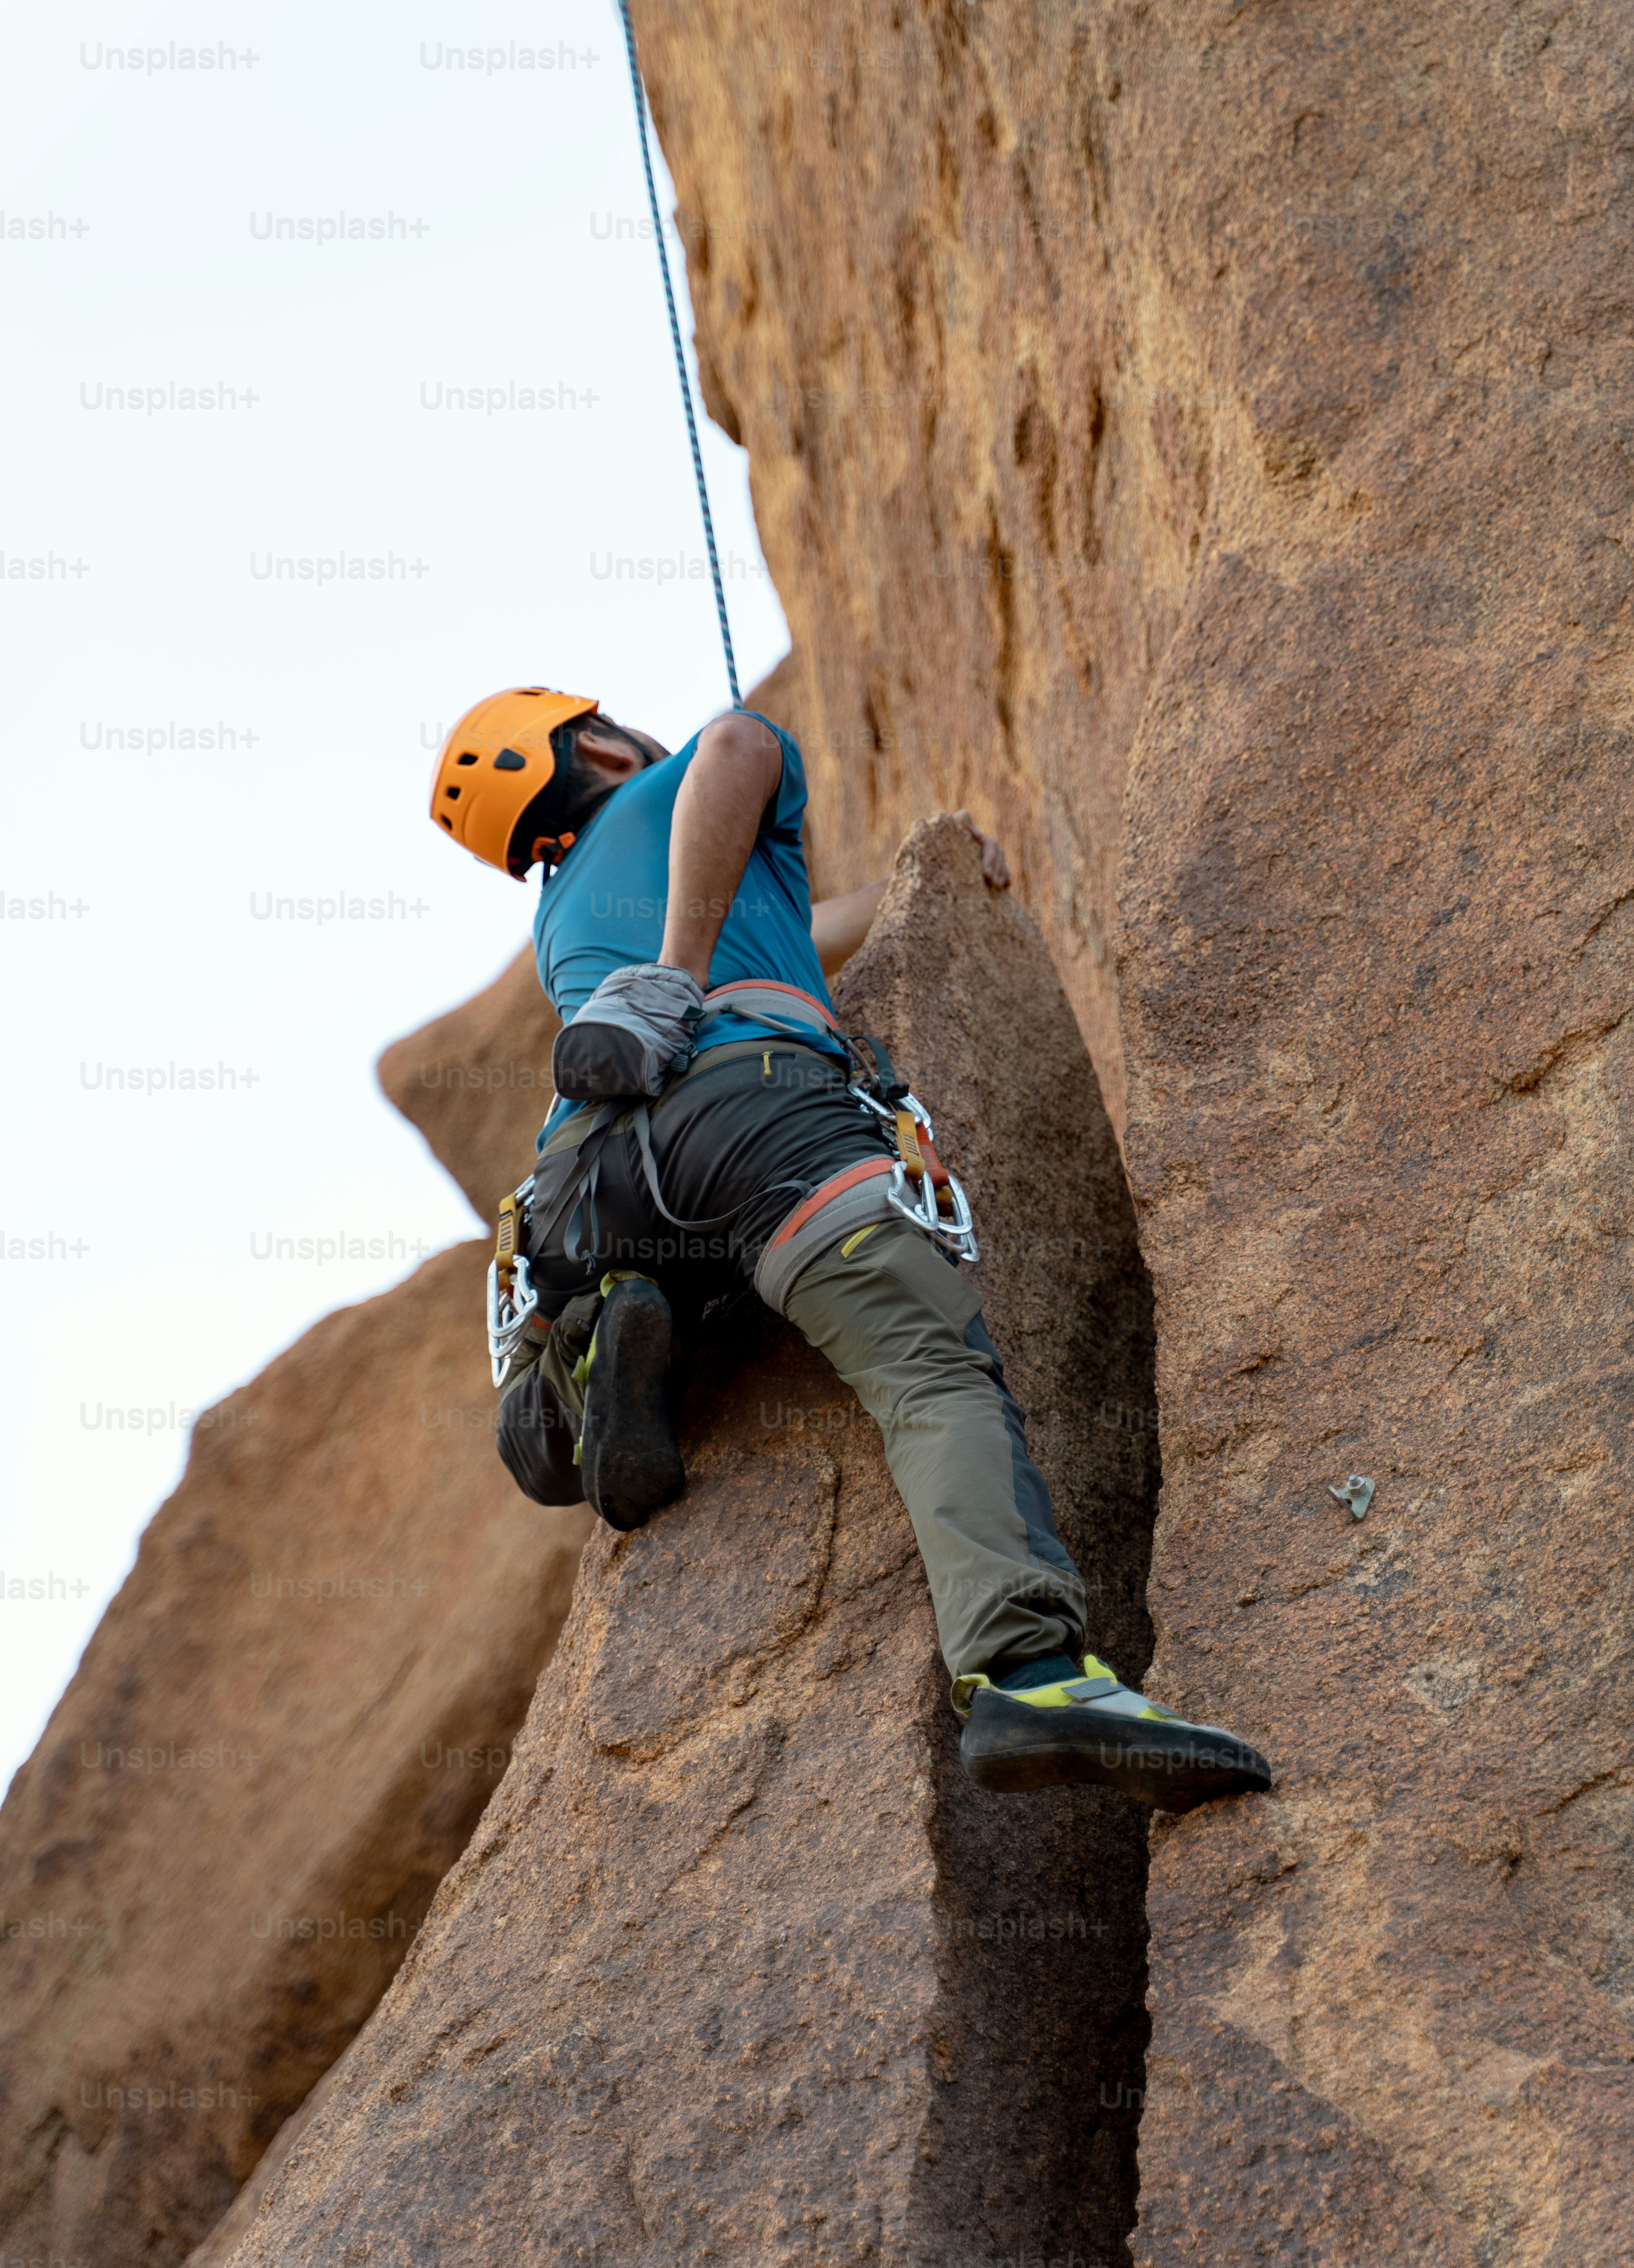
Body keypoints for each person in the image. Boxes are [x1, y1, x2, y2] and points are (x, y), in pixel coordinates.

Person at [429, 687, 1270, 1811]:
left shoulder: (566, 918)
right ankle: (1029, 1674)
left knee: (647, 1277)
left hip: (587, 1178)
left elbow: (800, 931)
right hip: (755, 1114)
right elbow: (731, 743)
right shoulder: (691, 777)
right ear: (591, 739)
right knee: (927, 1369)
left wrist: (924, 878)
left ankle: (585, 1361)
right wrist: (677, 983)